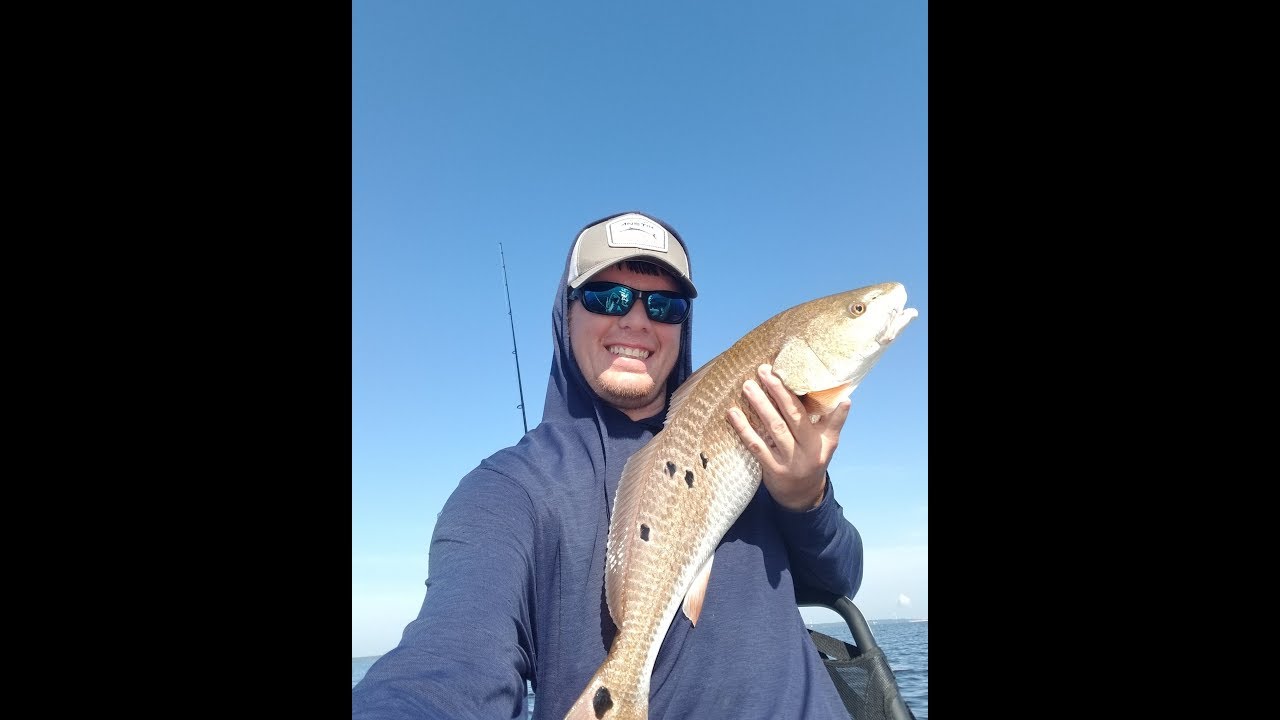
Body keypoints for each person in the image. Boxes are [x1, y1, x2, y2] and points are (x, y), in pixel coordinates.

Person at [352, 211, 863, 719]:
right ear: (565, 312)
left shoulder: (758, 436)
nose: (637, 320)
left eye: (665, 305)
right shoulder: (510, 489)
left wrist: (805, 497)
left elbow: (839, 581)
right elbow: (445, 663)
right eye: (607, 297)